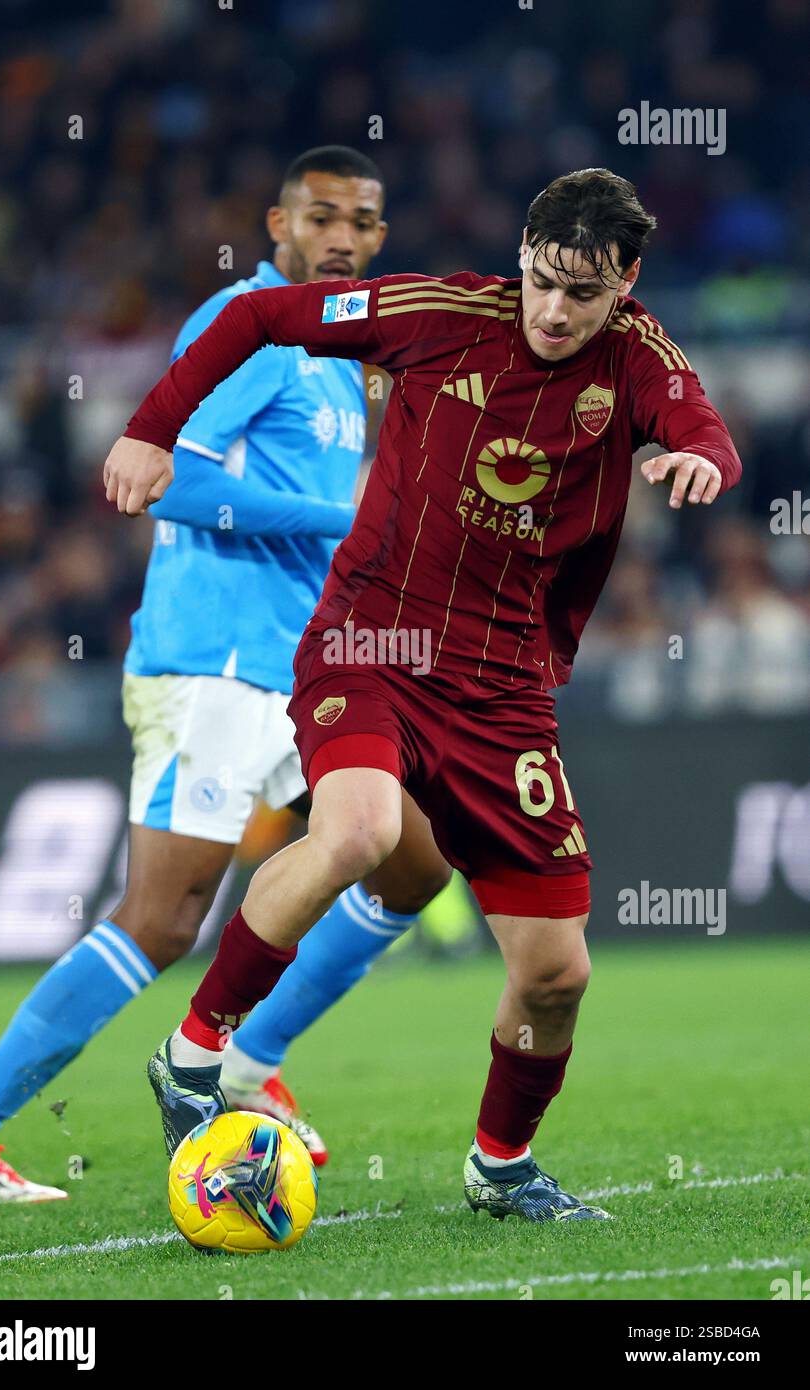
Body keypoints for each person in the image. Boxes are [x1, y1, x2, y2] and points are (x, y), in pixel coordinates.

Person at [104, 168, 741, 1222]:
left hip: (502, 695)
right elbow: (263, 313)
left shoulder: (638, 359)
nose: (551, 310)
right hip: (369, 645)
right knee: (353, 833)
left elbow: (698, 422)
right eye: (539, 279)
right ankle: (192, 1054)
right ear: (522, 254)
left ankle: (499, 1167)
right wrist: (150, 429)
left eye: (580, 294)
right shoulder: (436, 313)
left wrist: (697, 461)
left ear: (623, 282)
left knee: (554, 974)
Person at [0, 145, 450, 1203]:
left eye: (360, 221)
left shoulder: (339, 349)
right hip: (213, 664)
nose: (341, 238)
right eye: (320, 219)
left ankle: (248, 1061)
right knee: (163, 919)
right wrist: (344, 518)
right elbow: (167, 482)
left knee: (413, 865)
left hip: (303, 668)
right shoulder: (250, 327)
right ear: (277, 224)